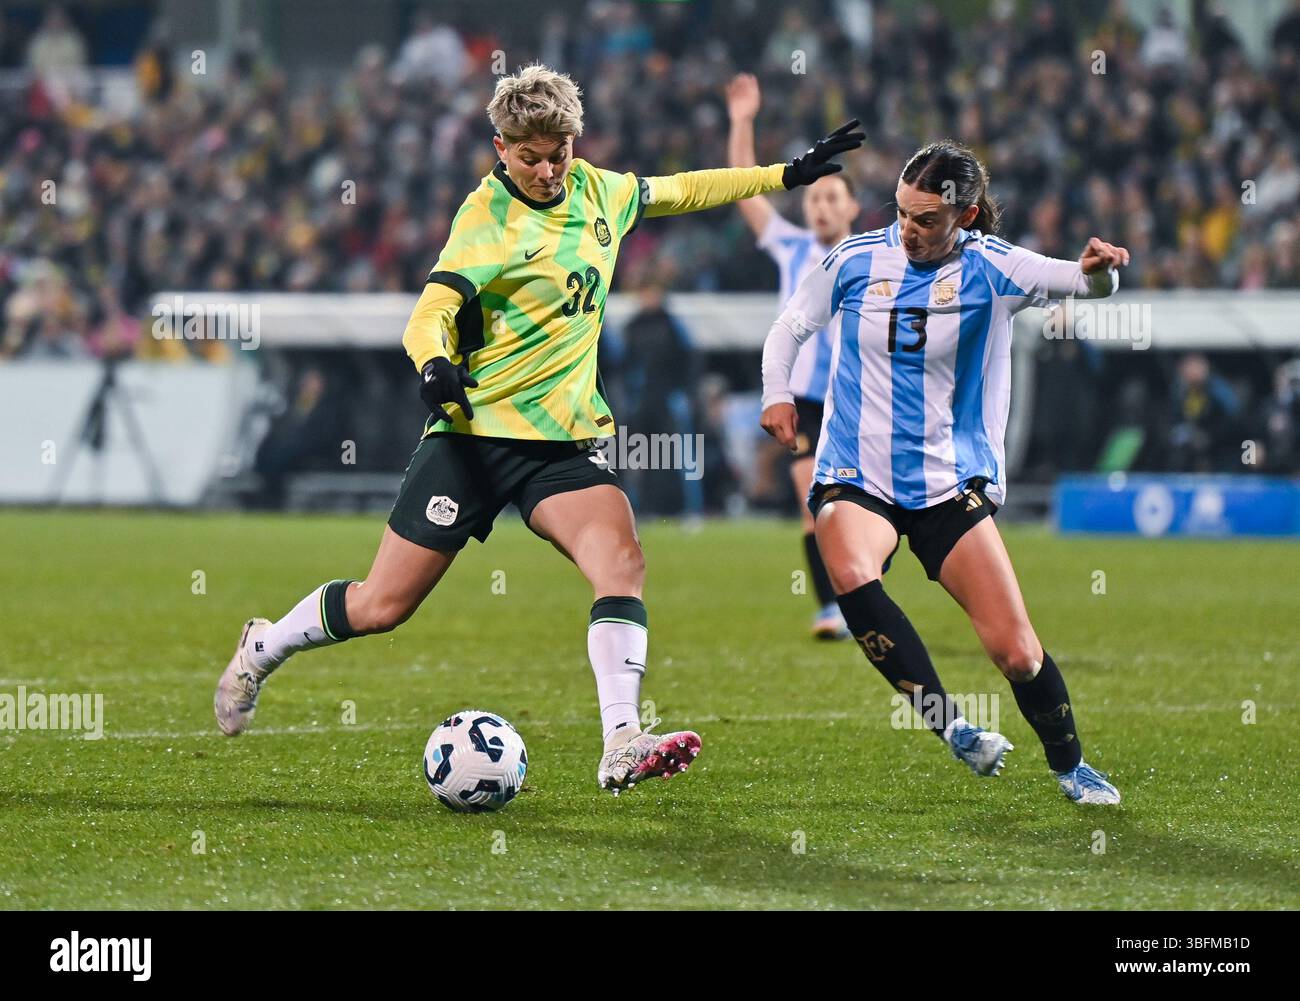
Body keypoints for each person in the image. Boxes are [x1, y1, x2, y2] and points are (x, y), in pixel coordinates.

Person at [215, 63, 863, 795]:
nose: (550, 169)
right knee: (381, 606)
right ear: (500, 146)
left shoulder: (599, 191)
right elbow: (427, 315)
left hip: (559, 446)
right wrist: (433, 365)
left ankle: (622, 739)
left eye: (561, 152)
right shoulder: (484, 218)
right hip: (473, 438)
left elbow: (686, 188)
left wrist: (786, 172)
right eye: (532, 156)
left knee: (621, 562)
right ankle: (262, 645)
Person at [760, 140, 1129, 805]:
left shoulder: (996, 268)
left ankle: (1071, 764)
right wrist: (776, 394)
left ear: (967, 214)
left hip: (947, 483)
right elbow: (790, 326)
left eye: (926, 219)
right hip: (855, 469)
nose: (909, 229)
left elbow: (1084, 282)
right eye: (902, 213)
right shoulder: (856, 258)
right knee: (848, 570)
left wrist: (1102, 272)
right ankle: (951, 723)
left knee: (1017, 654)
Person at [726, 72, 861, 639]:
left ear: (853, 207)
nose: (822, 206)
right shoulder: (791, 248)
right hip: (804, 399)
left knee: (862, 509)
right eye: (814, 197)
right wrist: (742, 121)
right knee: (814, 502)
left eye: (832, 196)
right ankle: (832, 608)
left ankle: (861, 590)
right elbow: (741, 188)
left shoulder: (872, 256)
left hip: (858, 398)